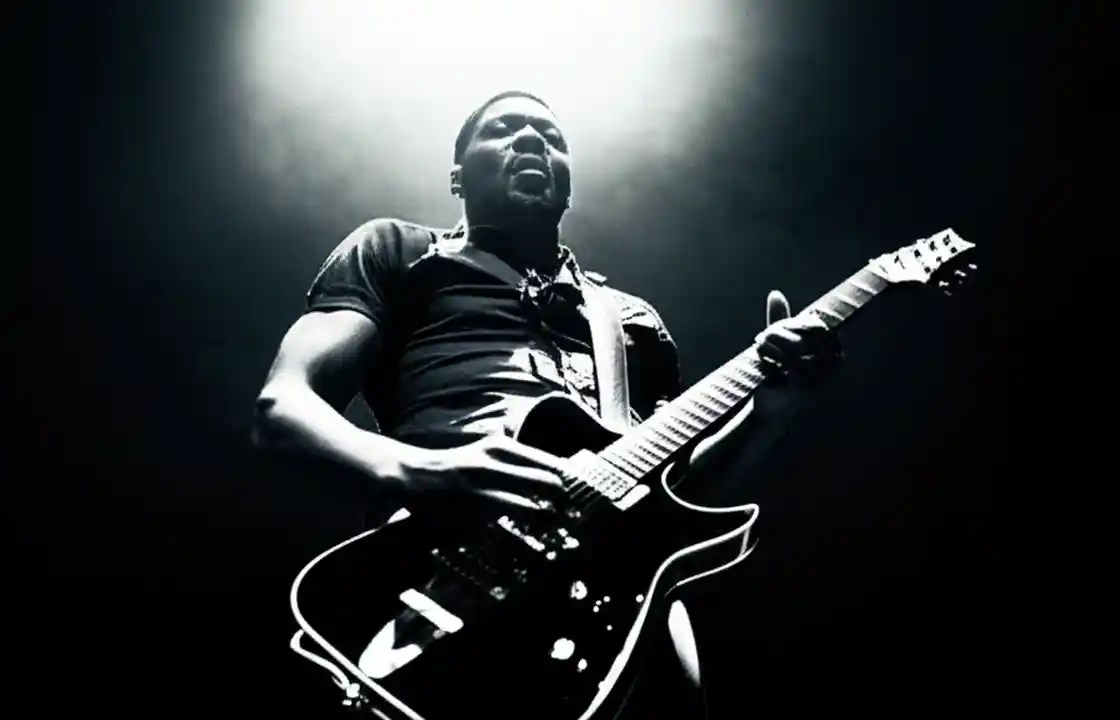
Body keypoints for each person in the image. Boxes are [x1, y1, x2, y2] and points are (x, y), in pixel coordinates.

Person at [251, 89, 844, 718]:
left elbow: (676, 496)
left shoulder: (632, 320)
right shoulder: (397, 252)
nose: (532, 139)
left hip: (617, 604)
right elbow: (283, 406)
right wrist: (414, 468)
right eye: (504, 128)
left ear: (567, 185)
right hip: (446, 567)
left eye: (551, 136)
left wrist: (770, 412)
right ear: (457, 176)